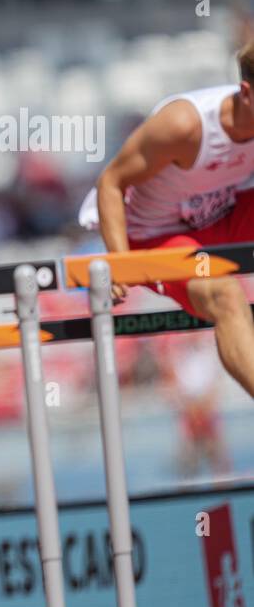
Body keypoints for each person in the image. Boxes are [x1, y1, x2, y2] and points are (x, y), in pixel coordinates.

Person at [81, 40, 254, 398]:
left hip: (221, 218)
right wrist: (120, 262)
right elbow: (110, 183)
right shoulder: (183, 126)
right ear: (247, 94)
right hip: (159, 237)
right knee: (223, 292)